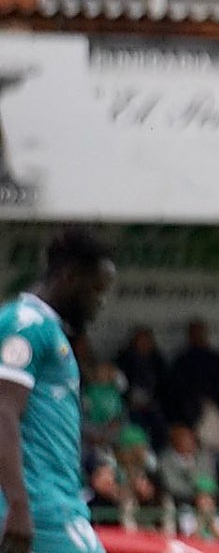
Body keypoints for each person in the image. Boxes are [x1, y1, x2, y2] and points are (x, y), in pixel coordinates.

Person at [0, 228, 115, 553]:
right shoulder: (25, 324)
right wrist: (20, 507)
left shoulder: (49, 330)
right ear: (69, 278)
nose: (100, 302)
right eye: (96, 290)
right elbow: (3, 410)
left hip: (54, 504)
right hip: (43, 510)